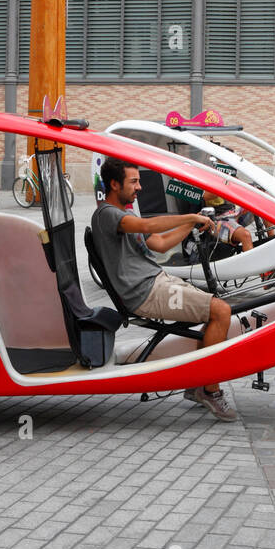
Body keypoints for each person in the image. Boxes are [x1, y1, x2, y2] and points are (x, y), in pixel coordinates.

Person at [92, 159, 237, 422]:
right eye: (133, 182)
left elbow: (159, 243)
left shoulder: (126, 215)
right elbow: (149, 227)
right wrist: (191, 216)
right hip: (145, 292)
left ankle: (199, 384)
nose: (140, 187)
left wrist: (190, 225)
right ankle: (209, 390)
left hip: (156, 282)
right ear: (114, 184)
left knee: (216, 310)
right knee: (221, 311)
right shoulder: (108, 214)